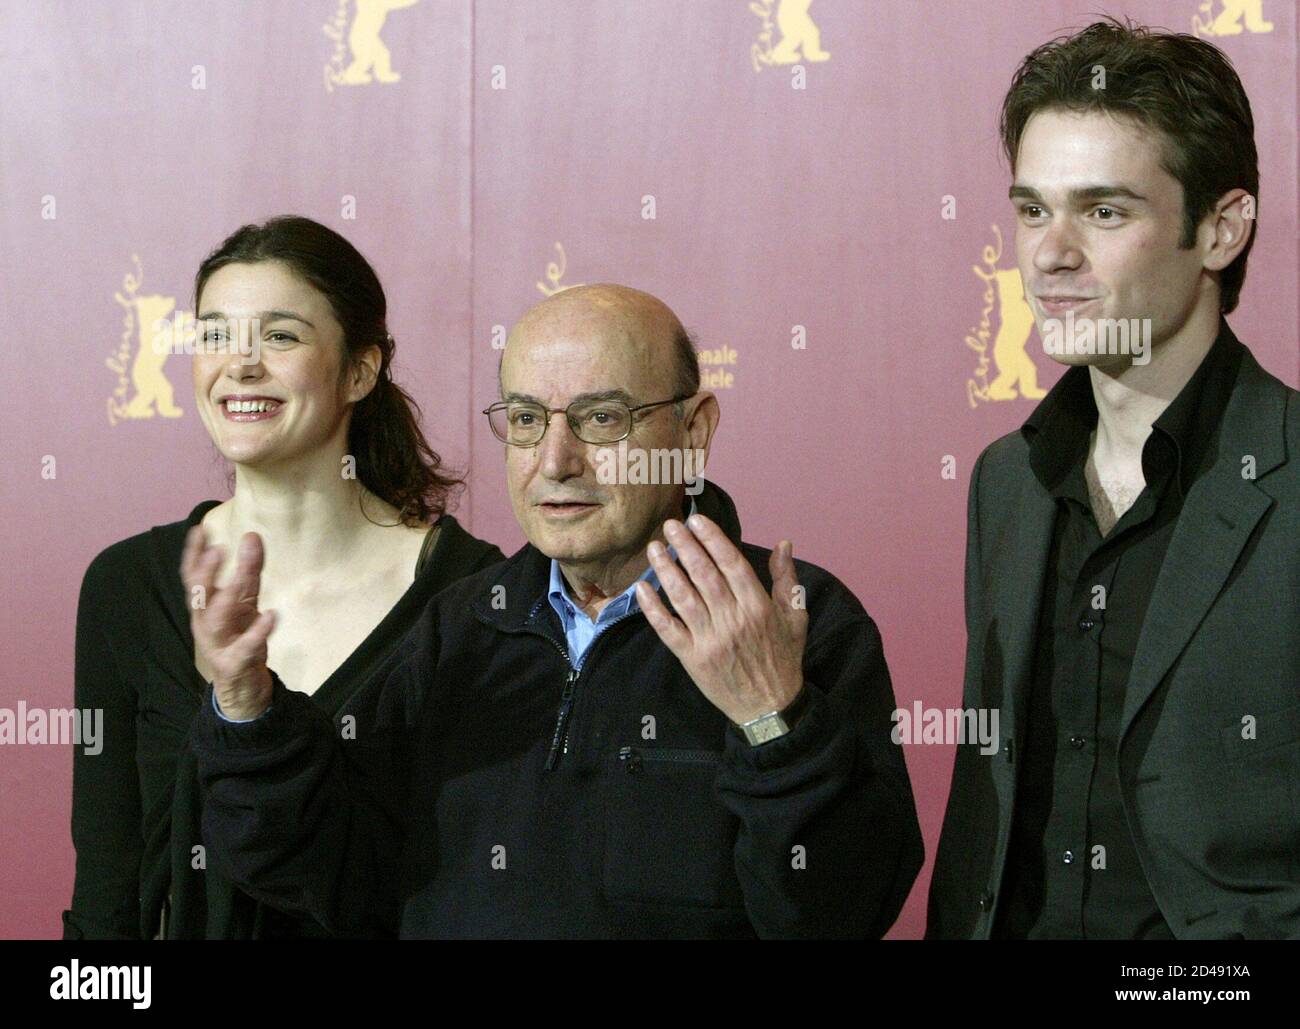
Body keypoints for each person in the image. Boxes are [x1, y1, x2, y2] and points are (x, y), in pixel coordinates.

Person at [187, 283, 923, 938]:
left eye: (602, 418)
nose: (555, 460)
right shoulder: (462, 626)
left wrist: (773, 718)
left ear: (693, 431)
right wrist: (248, 710)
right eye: (528, 419)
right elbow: (330, 874)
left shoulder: (795, 618)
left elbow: (841, 910)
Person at [928, 19, 1300, 940]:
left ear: (1220, 229)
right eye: (1031, 210)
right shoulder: (1006, 481)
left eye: (1103, 211)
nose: (1051, 254)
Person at [65, 215, 503, 939]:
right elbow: (108, 891)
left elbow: (464, 892)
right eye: (213, 334)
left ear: (360, 370)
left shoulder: (468, 594)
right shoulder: (126, 585)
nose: (239, 364)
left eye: (280, 335)